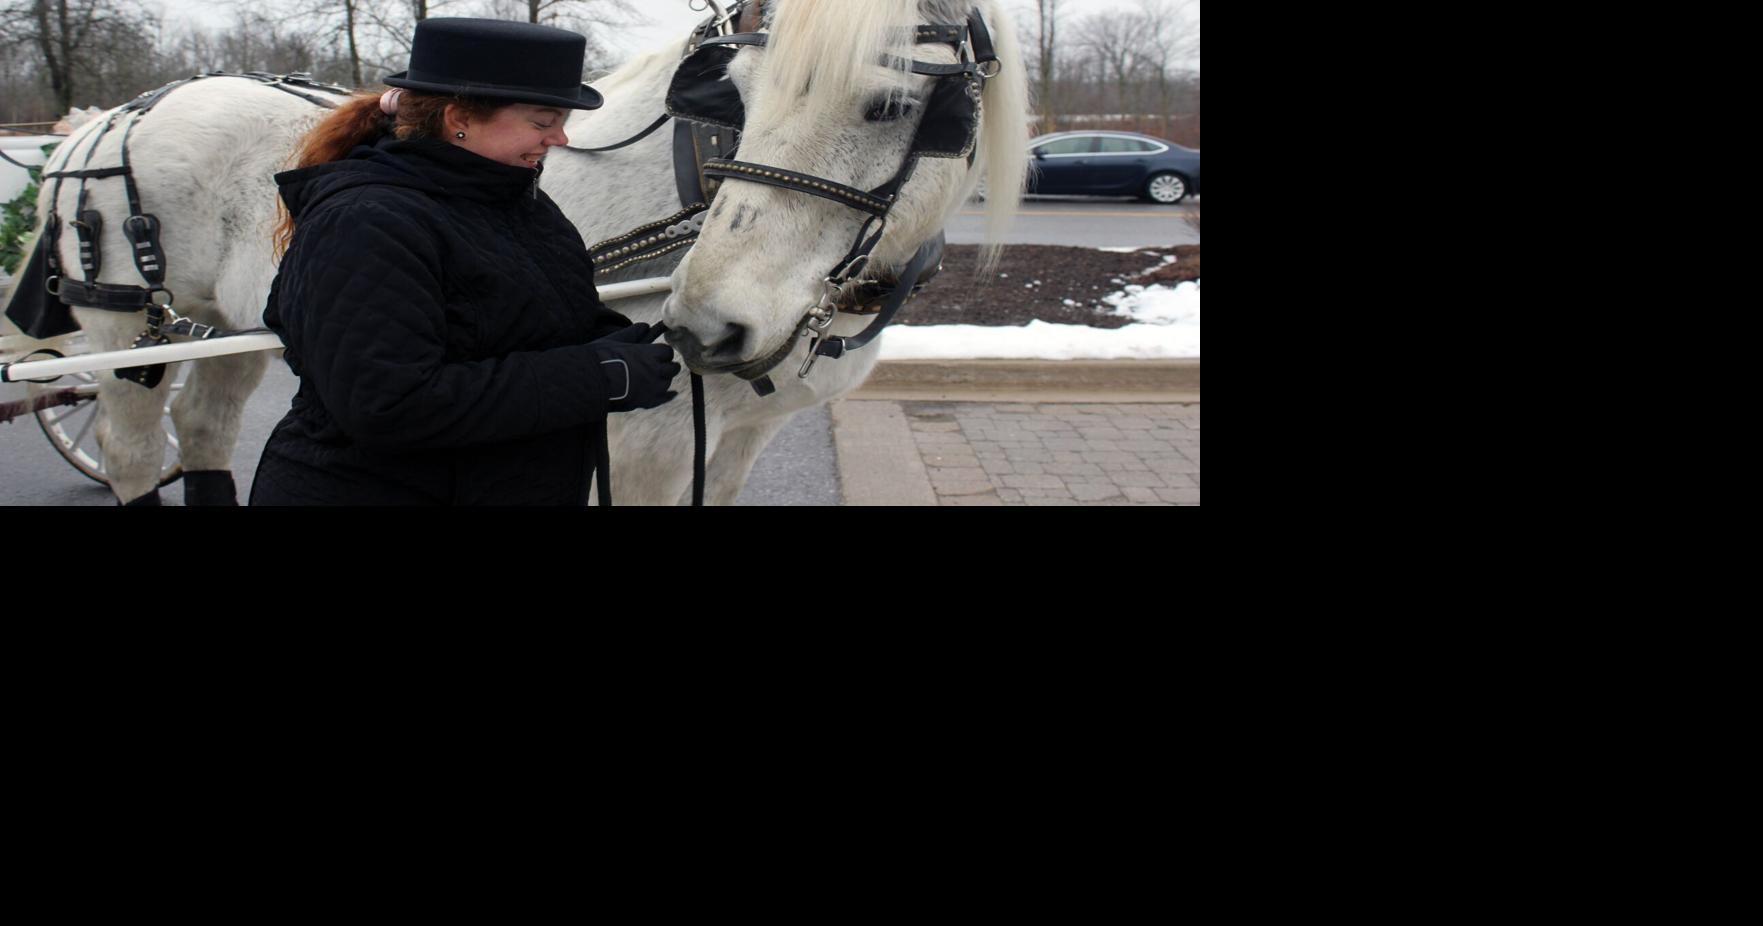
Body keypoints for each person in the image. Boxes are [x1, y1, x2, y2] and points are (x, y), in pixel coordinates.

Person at [249, 17, 678, 506]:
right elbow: (388, 403)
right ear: (459, 120)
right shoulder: (365, 222)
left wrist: (620, 341)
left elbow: (525, 315)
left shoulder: (517, 200)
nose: (558, 139)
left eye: (562, 122)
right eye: (542, 122)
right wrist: (599, 376)